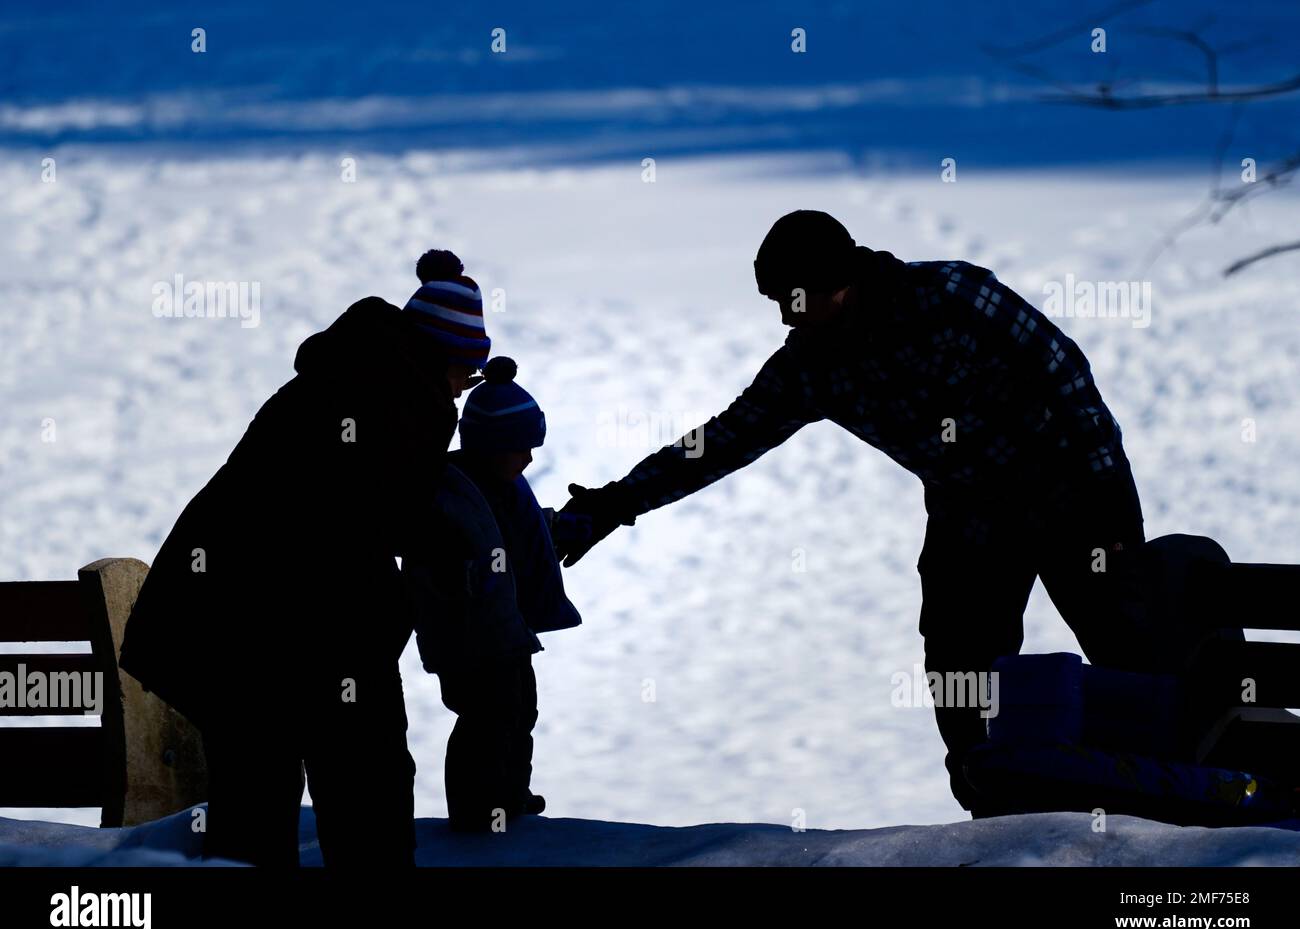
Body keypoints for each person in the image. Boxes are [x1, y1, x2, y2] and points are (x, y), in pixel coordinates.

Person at [554, 210, 1151, 815]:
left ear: (841, 282)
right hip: (969, 517)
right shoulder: (811, 368)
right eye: (775, 302)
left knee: (1123, 639)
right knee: (957, 661)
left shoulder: (954, 297)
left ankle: (1167, 792)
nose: (786, 316)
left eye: (795, 298)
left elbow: (1067, 377)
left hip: (1069, 497)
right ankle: (993, 807)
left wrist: (1114, 513)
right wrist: (615, 502)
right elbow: (722, 442)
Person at [119, 249, 491, 865]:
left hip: (219, 621)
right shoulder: (404, 399)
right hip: (272, 624)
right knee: (361, 788)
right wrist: (475, 543)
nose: (464, 391)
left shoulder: (352, 373)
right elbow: (380, 527)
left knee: (260, 798)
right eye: (467, 375)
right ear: (450, 360)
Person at [404, 356, 582, 832]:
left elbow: (516, 540)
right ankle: (478, 810)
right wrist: (462, 578)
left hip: (505, 631)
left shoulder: (506, 488)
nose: (528, 457)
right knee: (485, 718)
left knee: (520, 710)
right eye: (519, 447)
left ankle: (509, 796)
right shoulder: (448, 491)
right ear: (487, 444)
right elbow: (436, 555)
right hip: (469, 636)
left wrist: (558, 526)